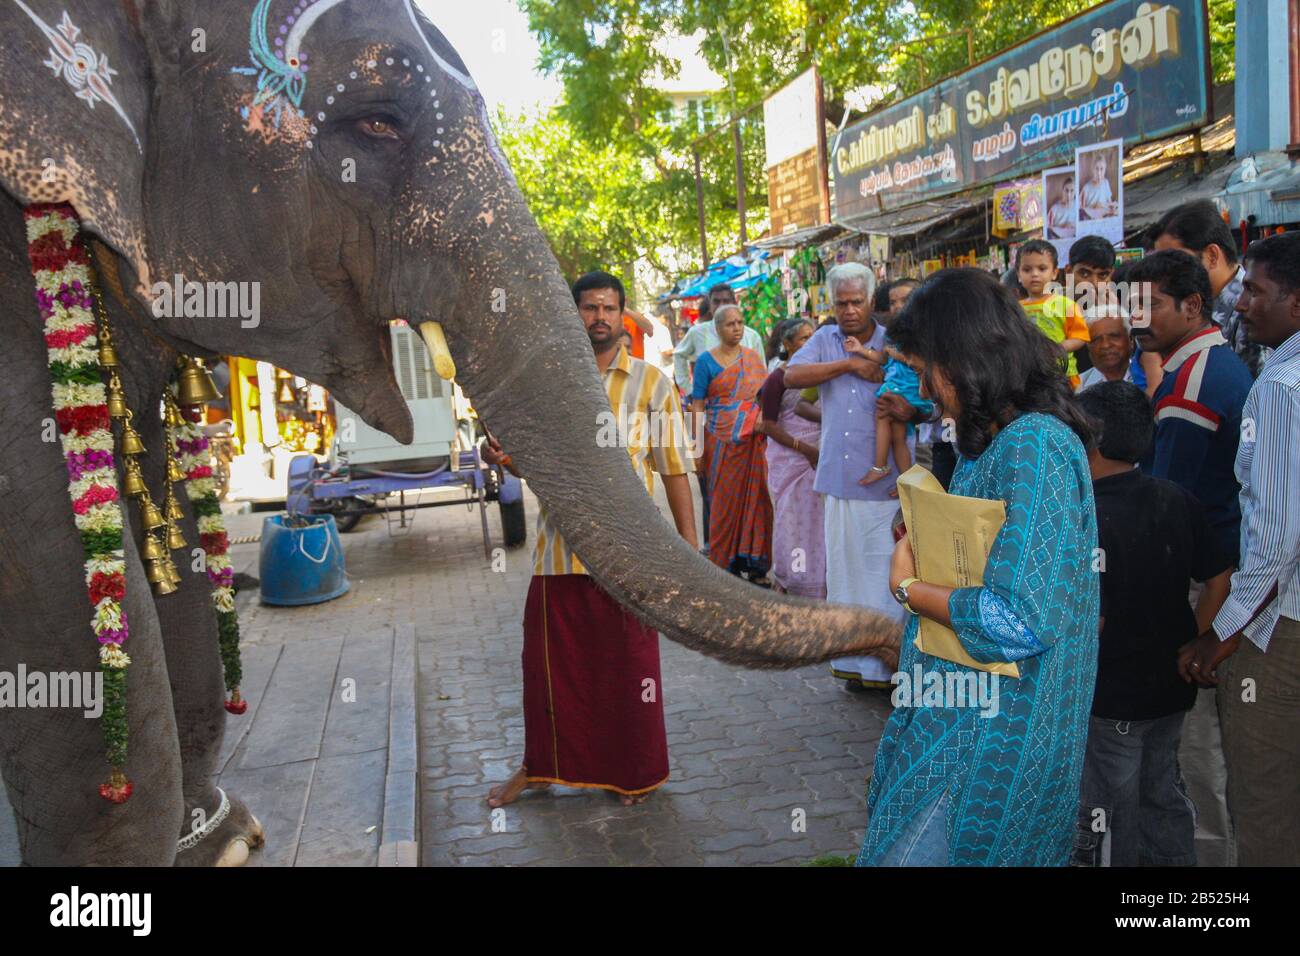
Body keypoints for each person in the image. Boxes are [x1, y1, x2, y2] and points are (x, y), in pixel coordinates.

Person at [861, 268, 1098, 866]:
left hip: (990, 735)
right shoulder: (991, 439)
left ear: (965, 356)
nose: (923, 390)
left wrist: (910, 587)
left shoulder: (1033, 445)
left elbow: (1018, 619)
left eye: (926, 371)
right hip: (959, 710)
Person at [483, 270, 697, 809]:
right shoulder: (548, 382)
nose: (598, 317)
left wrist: (691, 549)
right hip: (560, 548)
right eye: (588, 308)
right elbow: (520, 451)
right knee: (549, 670)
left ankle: (636, 773)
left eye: (607, 308)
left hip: (630, 554)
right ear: (573, 314)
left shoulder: (653, 383)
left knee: (630, 669)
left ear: (623, 315)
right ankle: (539, 768)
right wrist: (499, 456)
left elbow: (674, 469)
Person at [1127, 248, 1253, 867]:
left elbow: (1168, 510)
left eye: (1147, 303)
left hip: (1211, 586)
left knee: (1196, 756)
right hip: (1221, 581)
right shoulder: (1204, 369)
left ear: (1193, 305)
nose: (1134, 317)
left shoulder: (1195, 384)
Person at [1073, 382, 1231, 867]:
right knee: (1162, 796)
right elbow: (1219, 581)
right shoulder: (1177, 499)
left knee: (1104, 811)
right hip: (1168, 692)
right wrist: (1192, 641)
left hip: (1107, 698)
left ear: (1089, 441)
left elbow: (1086, 618)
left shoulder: (1081, 515)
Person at [1181, 231, 1300, 866]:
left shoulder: (1281, 388)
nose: (1242, 303)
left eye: (1254, 290)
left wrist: (1221, 633)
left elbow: (1278, 539)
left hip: (1278, 632)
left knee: (1269, 810)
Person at [784, 262, 914, 690]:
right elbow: (791, 376)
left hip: (889, 481)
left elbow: (925, 391)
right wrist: (846, 366)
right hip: (840, 480)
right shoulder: (823, 339)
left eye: (856, 301)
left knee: (887, 574)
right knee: (846, 574)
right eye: (841, 303)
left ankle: (891, 666)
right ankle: (857, 667)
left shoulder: (893, 339)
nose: (849, 310)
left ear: (871, 300)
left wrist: (910, 410)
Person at [691, 304, 773, 581]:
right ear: (717, 329)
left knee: (757, 499)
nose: (737, 328)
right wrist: (696, 447)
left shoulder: (751, 358)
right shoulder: (705, 362)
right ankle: (723, 562)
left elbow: (764, 397)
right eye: (730, 324)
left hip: (751, 441)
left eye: (740, 322)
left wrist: (760, 419)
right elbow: (698, 403)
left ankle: (755, 563)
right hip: (718, 440)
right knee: (722, 502)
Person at [1152, 199, 1268, 378]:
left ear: (1212, 256)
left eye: (1175, 262)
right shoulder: (1192, 307)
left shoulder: (1251, 311)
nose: (1165, 276)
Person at [757, 319, 825, 598]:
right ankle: (796, 579)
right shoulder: (778, 378)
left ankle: (821, 579)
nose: (809, 342)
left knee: (819, 522)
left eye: (813, 336)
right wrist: (805, 448)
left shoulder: (819, 372)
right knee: (792, 521)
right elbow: (768, 424)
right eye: (802, 338)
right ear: (787, 345)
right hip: (792, 459)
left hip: (820, 455)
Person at [1017, 239, 1091, 389]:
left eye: (1042, 268)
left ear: (1054, 273)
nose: (1034, 274)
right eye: (1027, 269)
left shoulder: (1066, 305)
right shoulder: (1016, 309)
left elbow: (1080, 337)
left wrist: (1057, 348)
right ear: (1018, 275)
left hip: (1063, 376)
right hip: (1029, 376)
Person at [1076, 308, 1133, 391]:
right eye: (1096, 339)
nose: (1105, 345)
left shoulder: (1149, 378)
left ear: (1130, 339)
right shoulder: (1075, 388)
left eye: (1114, 336)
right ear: (1088, 345)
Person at [1079, 152, 1117, 220]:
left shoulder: (1106, 183)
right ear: (1092, 169)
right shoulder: (1086, 187)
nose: (1099, 173)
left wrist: (1111, 208)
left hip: (1105, 216)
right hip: (1092, 218)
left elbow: (1109, 201)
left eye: (1101, 169)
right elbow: (1082, 210)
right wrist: (1094, 206)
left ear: (1105, 169)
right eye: (1096, 169)